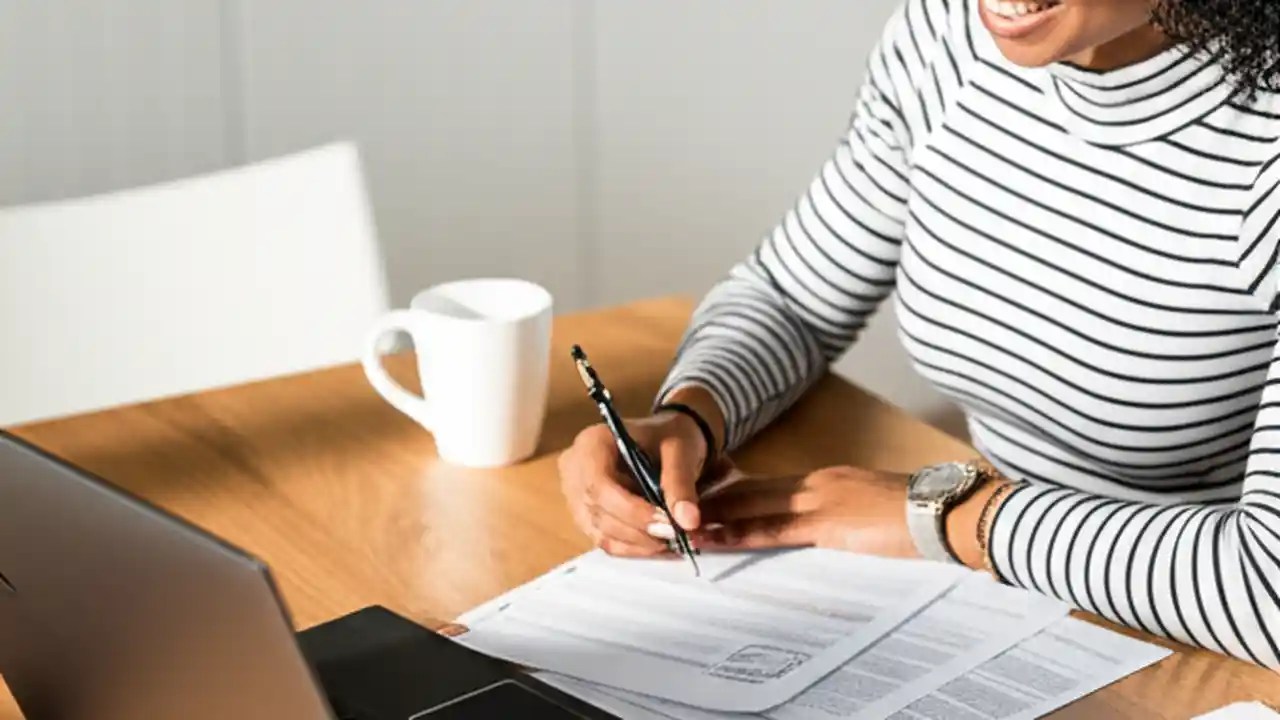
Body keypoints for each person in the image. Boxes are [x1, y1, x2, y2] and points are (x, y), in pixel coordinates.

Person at [557, 0, 1280, 669]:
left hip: (1199, 649)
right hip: (999, 604)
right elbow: (792, 298)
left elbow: (1268, 593)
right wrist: (690, 417)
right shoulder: (948, 36)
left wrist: (947, 516)